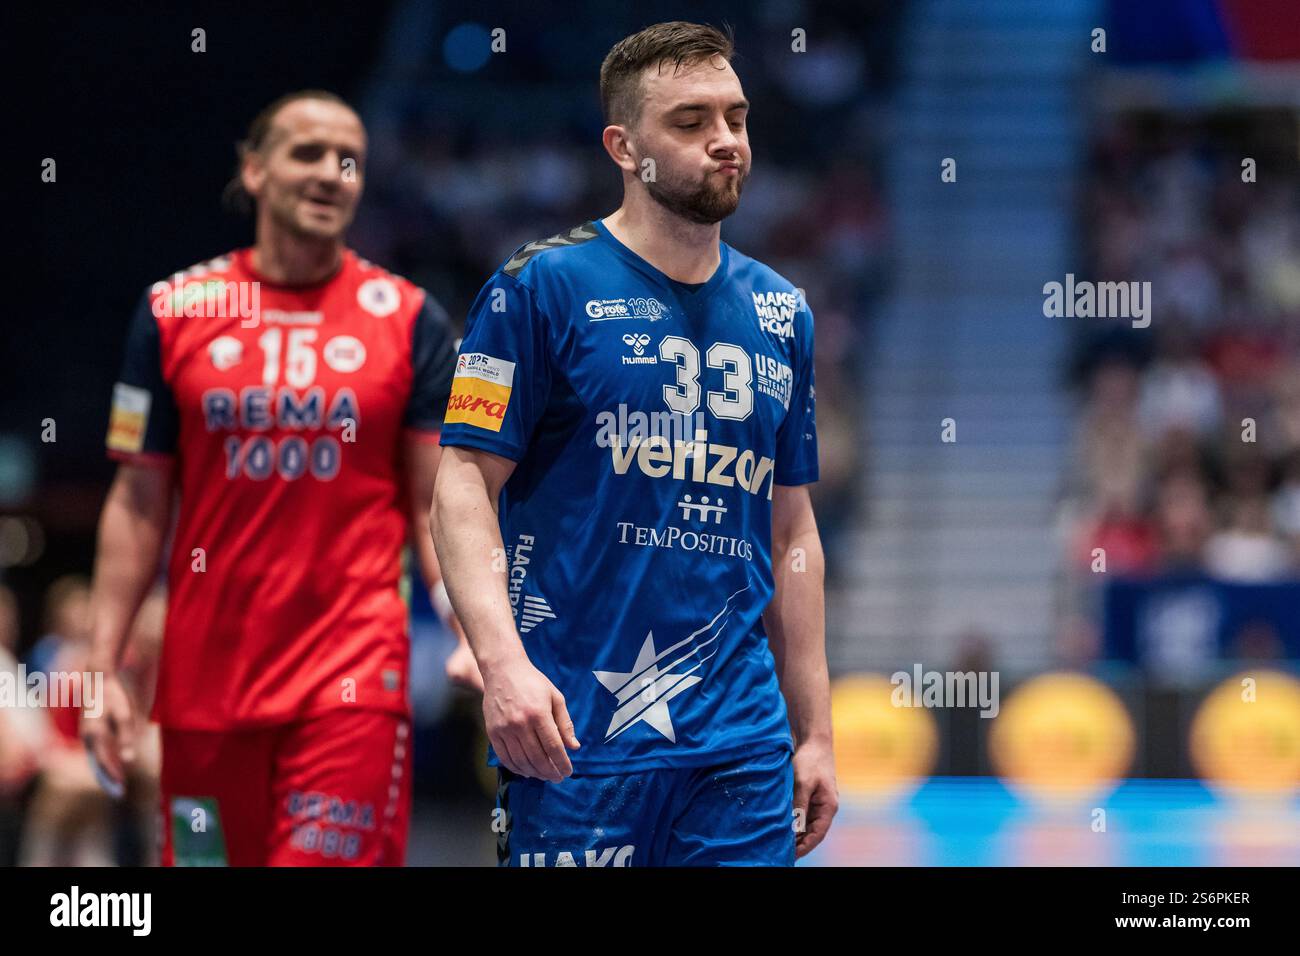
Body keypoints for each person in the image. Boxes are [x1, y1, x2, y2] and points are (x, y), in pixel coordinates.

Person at [432, 21, 837, 866]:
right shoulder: (536, 286)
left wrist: (816, 734)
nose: (725, 141)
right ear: (624, 146)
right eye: (690, 123)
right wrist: (500, 664)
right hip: (574, 736)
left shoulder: (783, 312)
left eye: (736, 117)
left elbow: (793, 531)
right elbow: (464, 481)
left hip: (740, 749)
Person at [84, 89, 468, 866]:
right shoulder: (173, 310)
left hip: (352, 681)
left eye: (350, 160)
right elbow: (137, 499)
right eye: (308, 153)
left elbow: (440, 504)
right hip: (203, 690)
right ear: (254, 171)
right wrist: (101, 671)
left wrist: (474, 631)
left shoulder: (409, 316)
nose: (333, 173)